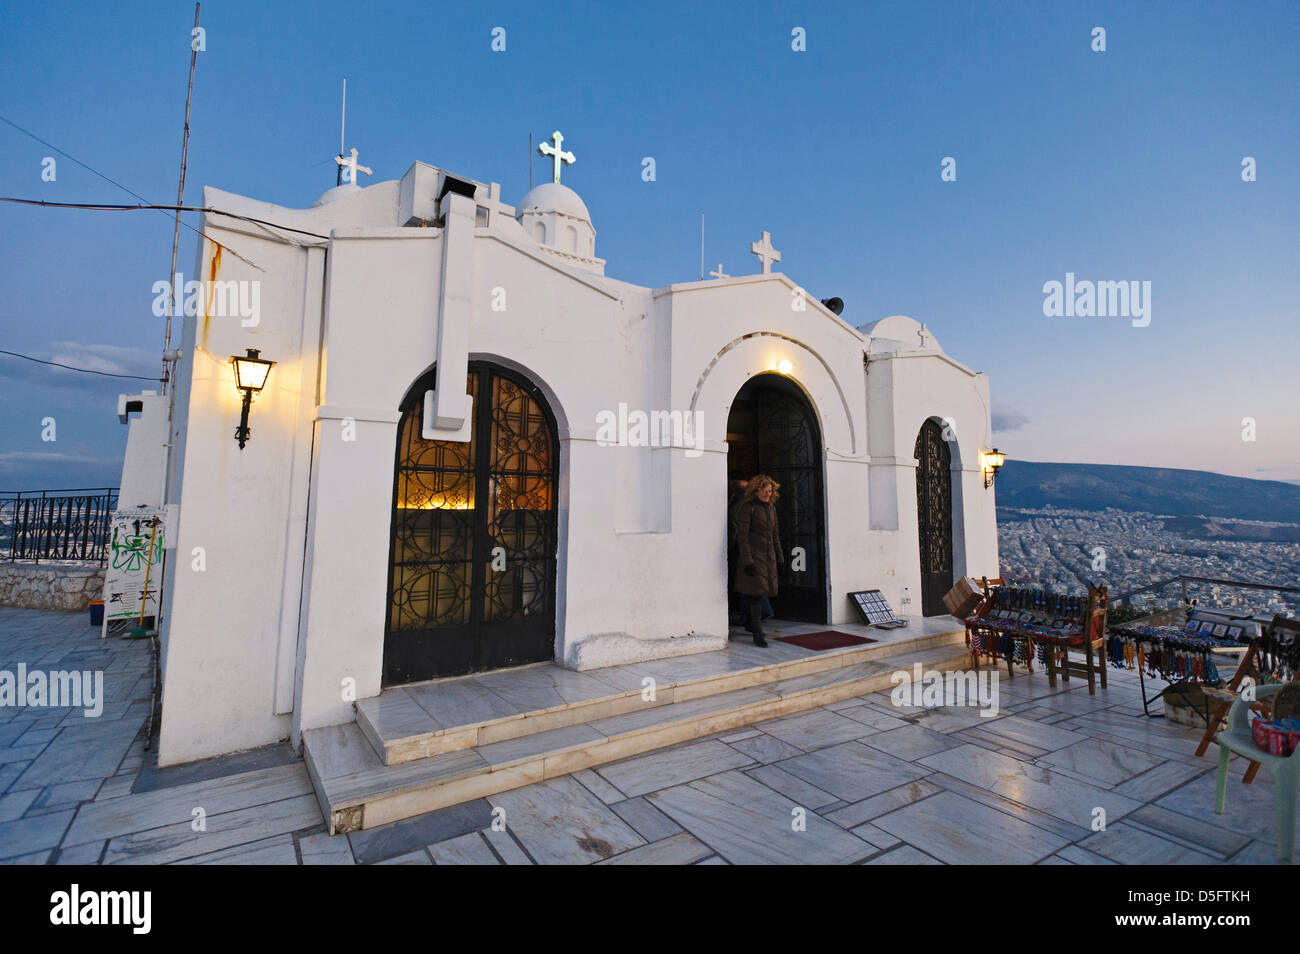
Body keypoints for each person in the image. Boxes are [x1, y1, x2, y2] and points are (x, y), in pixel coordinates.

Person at [733, 474, 782, 647]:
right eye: (765, 491)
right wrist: (748, 561)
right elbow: (743, 536)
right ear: (756, 491)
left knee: (761, 593)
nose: (768, 494)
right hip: (754, 557)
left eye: (770, 491)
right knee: (755, 595)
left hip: (768, 558)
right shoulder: (748, 508)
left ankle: (751, 624)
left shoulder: (771, 509)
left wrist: (780, 557)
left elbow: (775, 535)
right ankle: (757, 632)